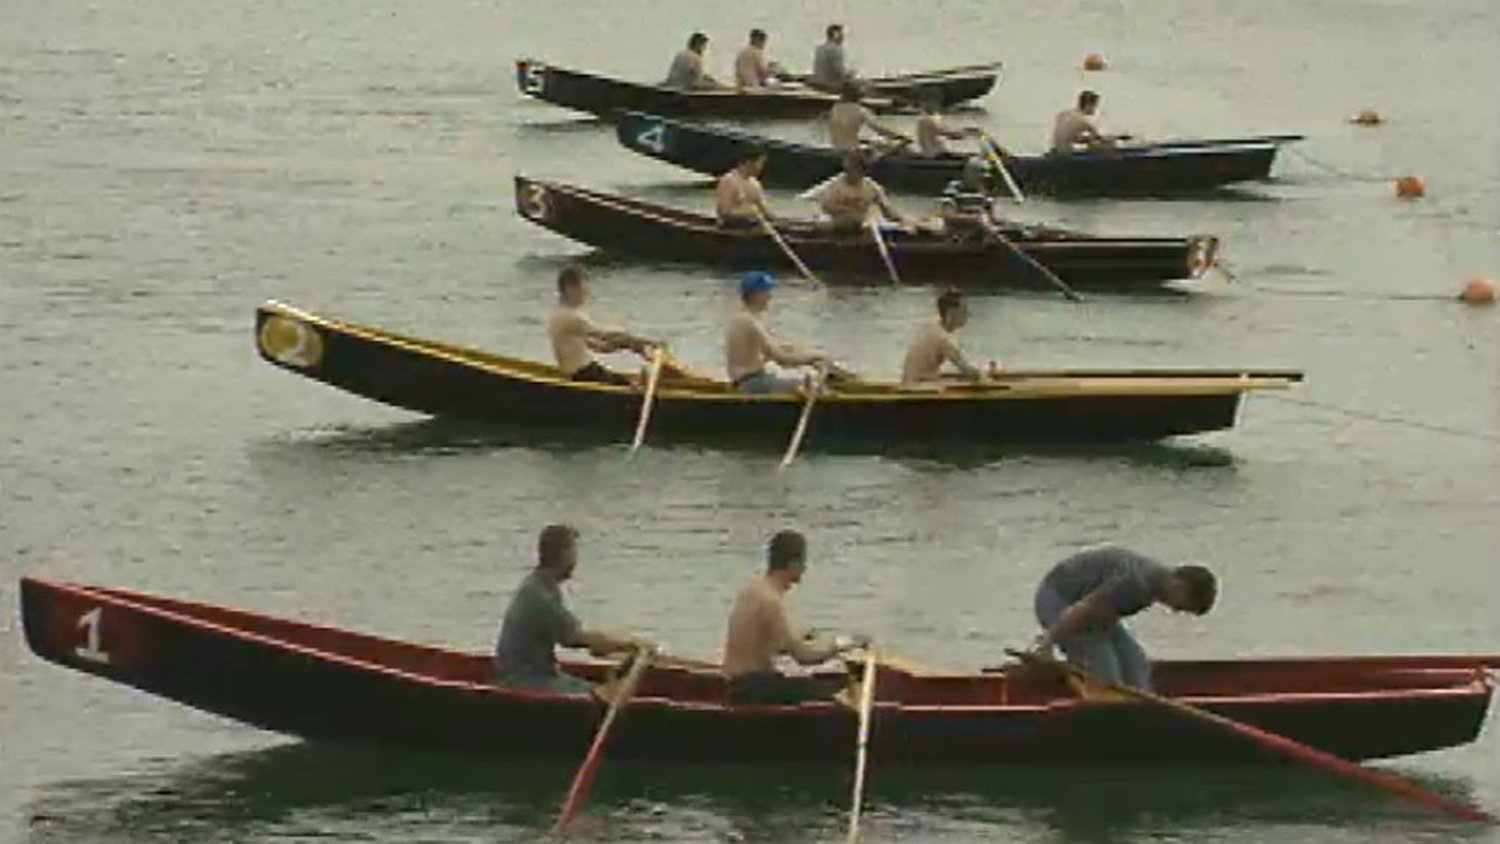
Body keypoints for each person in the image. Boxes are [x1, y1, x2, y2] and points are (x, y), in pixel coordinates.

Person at [1029, 545, 1218, 691]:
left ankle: (1138, 713)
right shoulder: (1137, 583)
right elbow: (1085, 608)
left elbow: (1105, 611)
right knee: (1105, 674)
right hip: (1060, 599)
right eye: (1182, 606)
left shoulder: (1154, 584)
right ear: (1179, 586)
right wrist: (1050, 641)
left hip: (1094, 615)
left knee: (1136, 664)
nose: (1176, 610)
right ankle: (1101, 710)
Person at [493, 524, 653, 695]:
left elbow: (591, 645)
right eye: (574, 552)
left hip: (537, 674)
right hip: (525, 681)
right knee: (603, 694)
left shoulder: (541, 584)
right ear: (563, 554)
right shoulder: (540, 597)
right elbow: (577, 638)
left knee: (598, 685)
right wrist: (631, 645)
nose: (576, 560)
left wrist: (616, 647)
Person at [723, 530, 863, 704]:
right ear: (793, 564)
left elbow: (766, 642)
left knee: (813, 682)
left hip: (736, 682)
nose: (804, 569)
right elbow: (803, 657)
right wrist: (839, 644)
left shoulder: (753, 589)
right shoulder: (771, 601)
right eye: (803, 563)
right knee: (829, 691)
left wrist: (801, 639)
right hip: (750, 688)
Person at [548, 265, 658, 386]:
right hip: (584, 374)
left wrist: (629, 347)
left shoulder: (558, 314)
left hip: (584, 372)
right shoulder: (569, 317)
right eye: (583, 291)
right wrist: (640, 343)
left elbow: (599, 346)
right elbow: (605, 335)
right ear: (570, 289)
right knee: (629, 386)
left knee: (624, 380)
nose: (586, 296)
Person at [725, 271, 828, 393]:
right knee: (809, 387)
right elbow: (782, 360)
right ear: (755, 295)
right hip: (754, 384)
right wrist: (816, 357)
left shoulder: (739, 318)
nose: (770, 297)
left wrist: (794, 350)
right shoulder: (751, 322)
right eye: (766, 292)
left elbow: (765, 352)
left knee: (804, 383)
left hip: (747, 382)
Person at [812, 151, 912, 234]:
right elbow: (816, 205)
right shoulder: (832, 186)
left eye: (854, 169)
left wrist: (905, 221)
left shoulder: (872, 188)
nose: (849, 173)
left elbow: (888, 213)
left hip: (858, 229)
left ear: (863, 171)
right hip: (833, 229)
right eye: (848, 169)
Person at [901, 288, 985, 386]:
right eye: (964, 310)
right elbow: (966, 369)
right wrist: (985, 377)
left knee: (955, 379)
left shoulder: (932, 326)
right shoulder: (942, 338)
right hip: (918, 388)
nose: (968, 314)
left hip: (914, 381)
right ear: (951, 313)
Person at [827, 82, 909, 153]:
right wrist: (901, 137)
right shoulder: (861, 110)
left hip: (836, 148)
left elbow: (843, 132)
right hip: (852, 150)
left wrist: (863, 140)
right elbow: (880, 129)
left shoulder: (835, 109)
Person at [715, 147, 772, 228]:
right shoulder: (728, 180)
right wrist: (750, 213)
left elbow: (764, 208)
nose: (761, 168)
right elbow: (725, 212)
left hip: (754, 222)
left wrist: (774, 218)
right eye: (760, 163)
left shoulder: (755, 183)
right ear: (749, 163)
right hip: (731, 224)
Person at [914, 96, 982, 157]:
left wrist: (963, 133)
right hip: (935, 154)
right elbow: (945, 132)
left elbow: (944, 132)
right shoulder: (929, 120)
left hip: (932, 152)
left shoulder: (923, 120)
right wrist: (966, 133)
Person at [811, 23, 854, 90]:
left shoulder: (819, 49)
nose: (843, 38)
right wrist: (852, 74)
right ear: (835, 35)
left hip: (819, 82)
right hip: (831, 85)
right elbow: (839, 71)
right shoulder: (836, 49)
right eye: (841, 35)